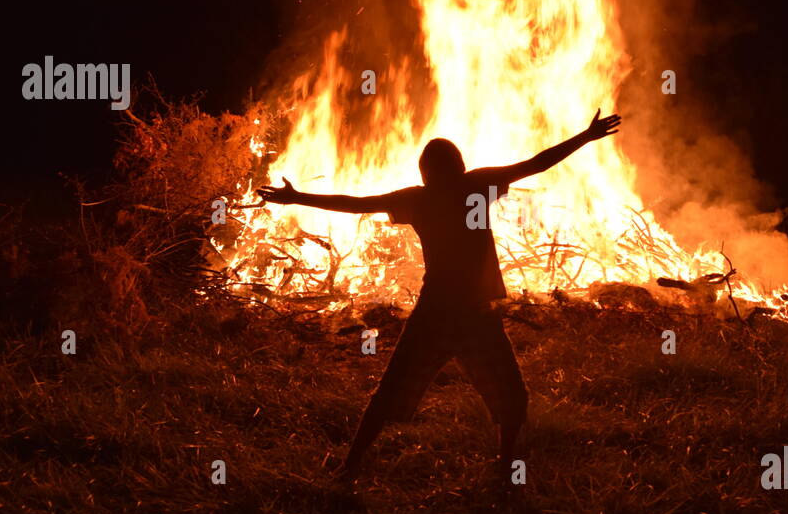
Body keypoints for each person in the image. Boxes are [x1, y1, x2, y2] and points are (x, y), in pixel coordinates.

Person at [257, 109, 622, 479]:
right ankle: (506, 466)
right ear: (460, 165)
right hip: (474, 311)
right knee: (510, 394)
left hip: (435, 310)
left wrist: (297, 196)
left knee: (391, 392)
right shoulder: (478, 184)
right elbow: (539, 163)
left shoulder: (419, 198)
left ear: (425, 173)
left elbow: (356, 204)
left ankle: (350, 467)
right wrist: (585, 136)